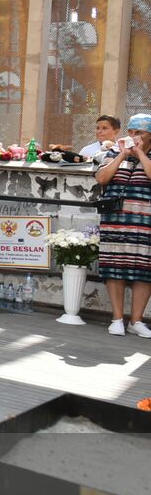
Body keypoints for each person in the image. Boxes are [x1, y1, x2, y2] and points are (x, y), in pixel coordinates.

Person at [94, 114, 151, 338]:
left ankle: (136, 320)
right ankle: (117, 318)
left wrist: (139, 154)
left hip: (145, 221)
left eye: (140, 133)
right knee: (114, 267)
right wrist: (122, 155)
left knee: (143, 272)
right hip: (115, 220)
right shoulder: (113, 152)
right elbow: (102, 178)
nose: (134, 137)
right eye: (132, 132)